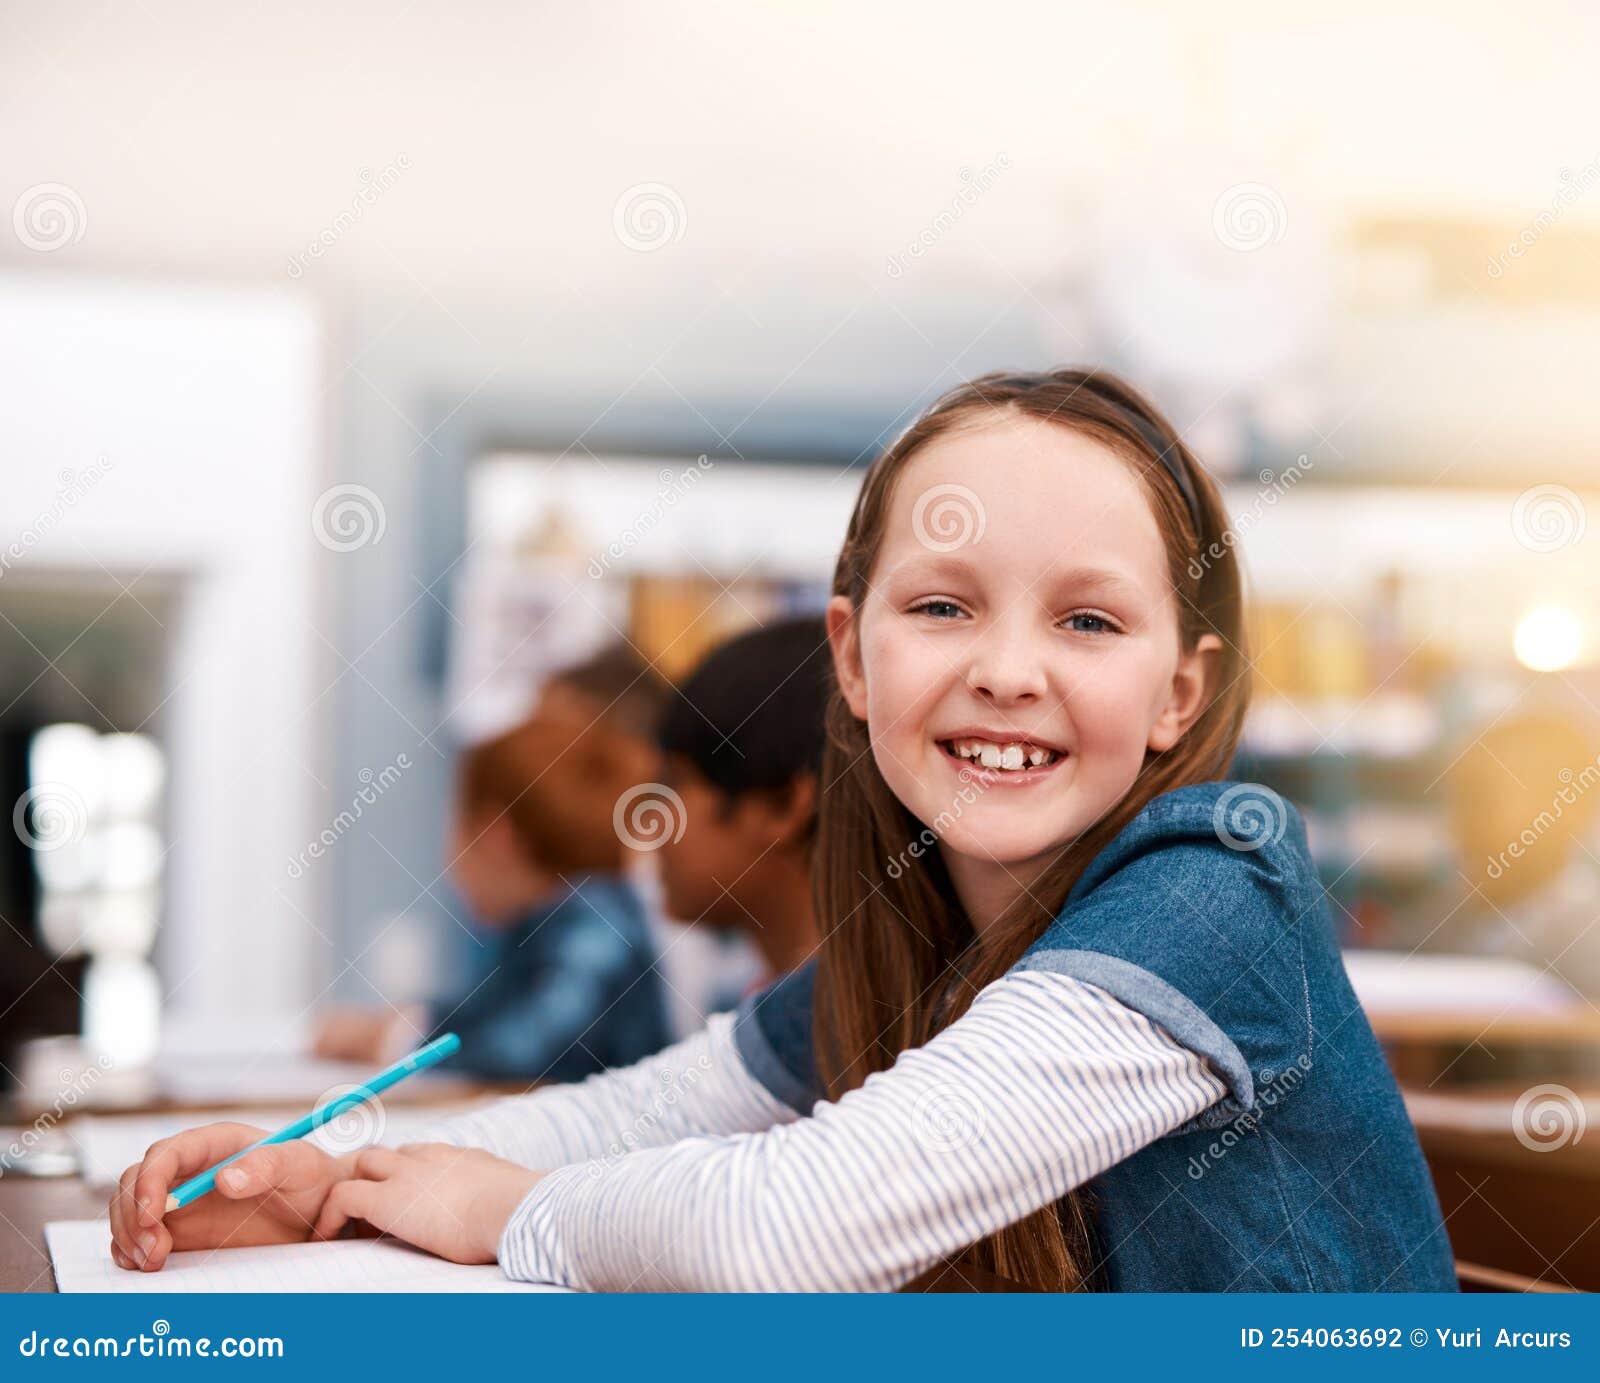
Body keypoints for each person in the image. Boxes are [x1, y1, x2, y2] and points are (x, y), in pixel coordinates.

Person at [109, 369, 1455, 1292]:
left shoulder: (1212, 893)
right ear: (851, 659)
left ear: (1180, 693)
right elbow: (641, 1114)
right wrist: (330, 1177)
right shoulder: (927, 932)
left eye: (1088, 619)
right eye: (943, 606)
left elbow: (792, 1226)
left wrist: (499, 1212)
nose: (1006, 670)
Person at [313, 645, 673, 1081]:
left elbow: (523, 1048)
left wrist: (398, 1043)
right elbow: (492, 1010)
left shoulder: (596, 928)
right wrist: (413, 1020)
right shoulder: (554, 922)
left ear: (495, 836)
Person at [654, 615, 829, 982]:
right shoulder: (777, 1000)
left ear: (781, 807)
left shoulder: (851, 1014)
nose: (654, 820)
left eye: (677, 782)